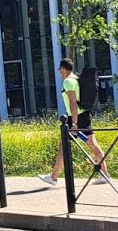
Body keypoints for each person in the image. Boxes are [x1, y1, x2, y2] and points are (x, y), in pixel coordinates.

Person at [39, 58, 110, 187]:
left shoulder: (67, 82)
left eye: (59, 69)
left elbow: (72, 102)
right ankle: (105, 174)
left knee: (70, 146)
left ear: (63, 69)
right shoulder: (76, 79)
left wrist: (74, 124)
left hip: (76, 118)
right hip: (84, 115)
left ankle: (53, 177)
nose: (59, 72)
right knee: (89, 144)